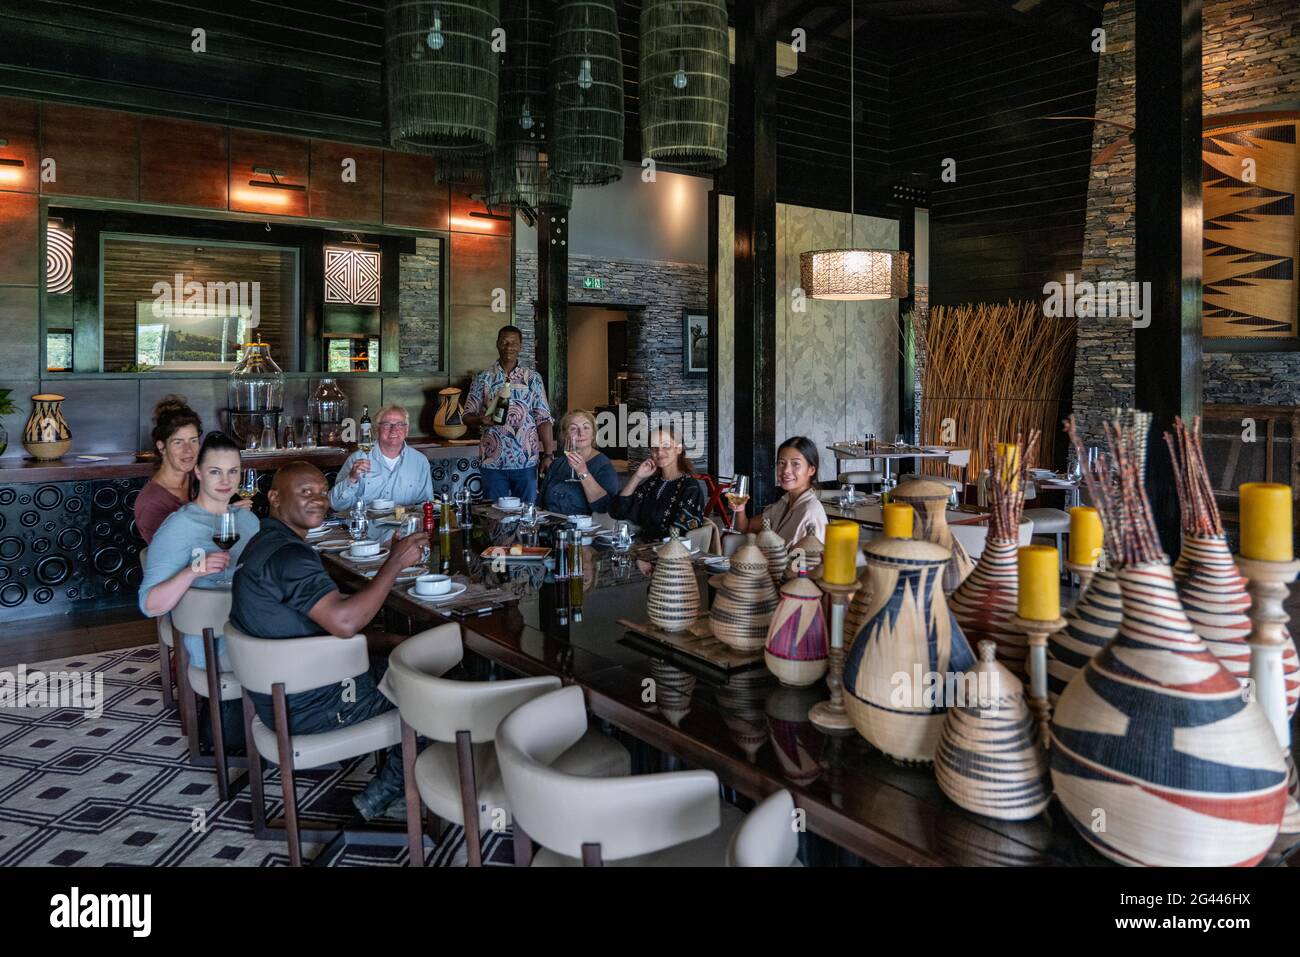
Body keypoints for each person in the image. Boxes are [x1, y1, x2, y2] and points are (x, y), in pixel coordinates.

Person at [230, 462, 427, 821]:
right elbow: (344, 622)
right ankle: (383, 794)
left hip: (278, 693)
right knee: (433, 689)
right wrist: (395, 562)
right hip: (312, 704)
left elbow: (319, 634)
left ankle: (401, 792)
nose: (319, 500)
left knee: (406, 654)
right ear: (274, 498)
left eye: (322, 492)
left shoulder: (264, 543)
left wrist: (396, 640)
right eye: (306, 492)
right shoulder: (290, 556)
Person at [139, 432, 261, 669]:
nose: (226, 481)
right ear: (198, 472)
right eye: (215, 471)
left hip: (254, 626)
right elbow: (149, 605)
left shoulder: (247, 520)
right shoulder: (180, 526)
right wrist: (193, 571)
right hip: (213, 641)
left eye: (233, 471)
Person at [463, 325, 556, 504]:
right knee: (494, 515)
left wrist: (549, 455)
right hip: (492, 461)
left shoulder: (532, 378)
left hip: (526, 461)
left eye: (513, 343)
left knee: (526, 515)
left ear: (520, 346)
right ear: (497, 344)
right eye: (504, 342)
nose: (509, 347)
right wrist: (480, 420)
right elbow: (467, 415)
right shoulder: (483, 378)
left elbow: (543, 419)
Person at [329, 403, 433, 512]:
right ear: (376, 430)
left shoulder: (420, 461)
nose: (393, 430)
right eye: (387, 424)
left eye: (400, 424)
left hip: (406, 527)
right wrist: (352, 478)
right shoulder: (357, 458)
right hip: (366, 527)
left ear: (406, 431)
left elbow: (426, 506)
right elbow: (336, 505)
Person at [608, 423, 705, 539]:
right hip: (643, 550)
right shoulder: (653, 483)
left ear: (679, 449)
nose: (659, 452)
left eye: (666, 446)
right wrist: (637, 477)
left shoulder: (690, 488)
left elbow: (679, 535)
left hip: (669, 552)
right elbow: (618, 511)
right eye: (654, 447)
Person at [730, 436, 829, 544]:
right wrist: (739, 509)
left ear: (811, 470)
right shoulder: (783, 504)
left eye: (795, 464)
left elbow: (808, 560)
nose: (786, 470)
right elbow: (745, 528)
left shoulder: (810, 512)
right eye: (781, 463)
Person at [134, 396, 203, 544]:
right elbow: (170, 555)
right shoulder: (150, 502)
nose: (189, 450)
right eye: (178, 442)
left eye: (193, 440)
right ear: (162, 447)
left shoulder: (200, 477)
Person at [537, 410, 620, 516]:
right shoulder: (558, 464)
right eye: (573, 428)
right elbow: (540, 503)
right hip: (551, 526)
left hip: (582, 529)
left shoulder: (603, 465)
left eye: (586, 427)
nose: (581, 433)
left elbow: (604, 507)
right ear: (565, 435)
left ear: (593, 434)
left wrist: (583, 472)